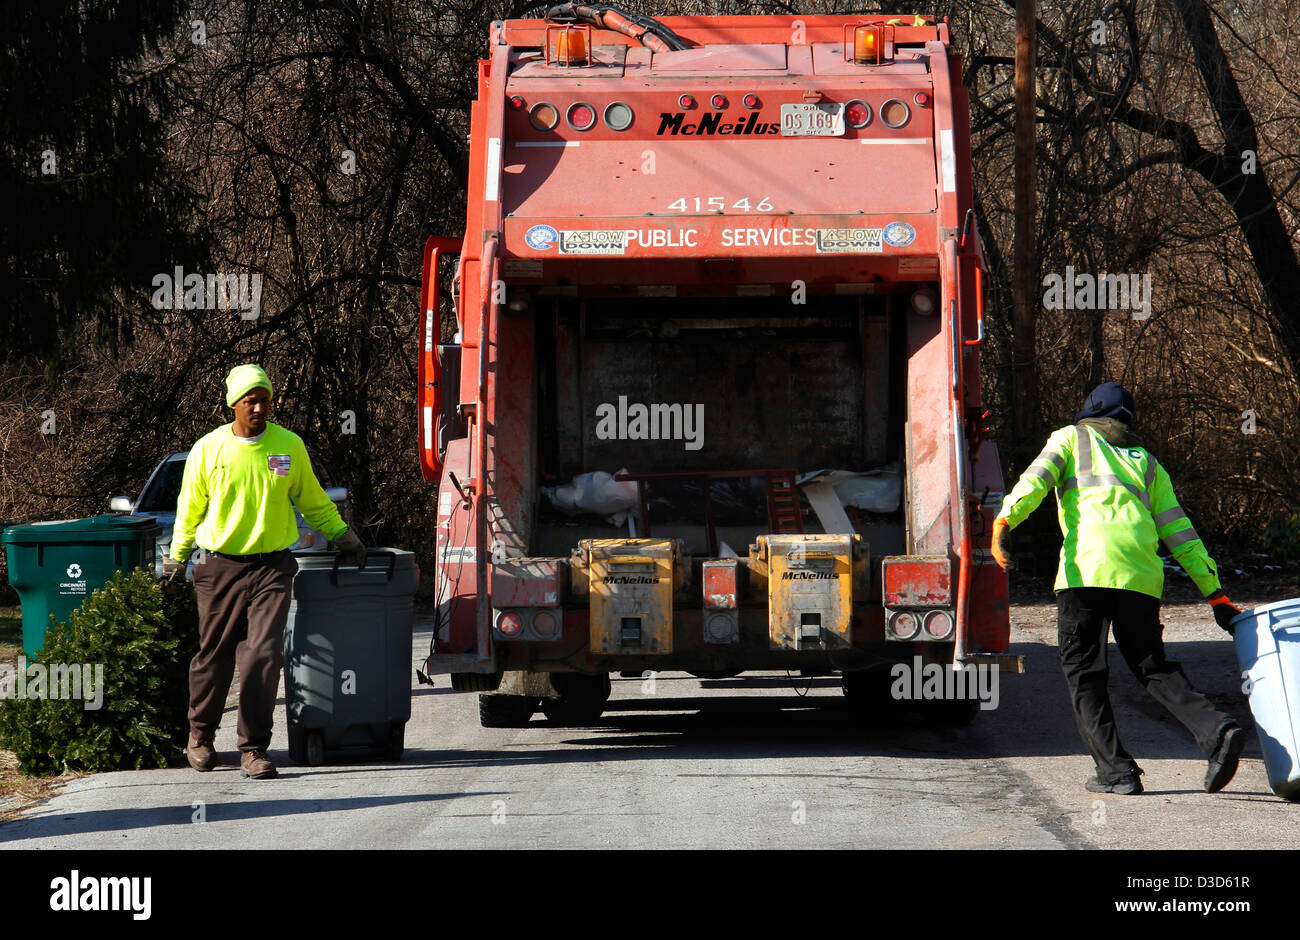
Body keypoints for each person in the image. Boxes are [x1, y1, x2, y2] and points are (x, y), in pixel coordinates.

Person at [991, 381, 1246, 795]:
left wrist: (1005, 520)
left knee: (1084, 672)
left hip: (1086, 573)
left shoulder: (1070, 438)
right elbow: (1182, 533)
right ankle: (1218, 730)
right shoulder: (1148, 463)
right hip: (1141, 577)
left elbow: (1035, 481)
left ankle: (1116, 772)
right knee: (1151, 666)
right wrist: (1215, 594)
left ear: (1089, 411)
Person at [164, 364, 365, 779]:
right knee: (214, 656)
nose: (259, 407)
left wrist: (342, 534)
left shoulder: (288, 445)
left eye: (264, 399)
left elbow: (311, 498)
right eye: (249, 400)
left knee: (263, 655)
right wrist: (178, 554)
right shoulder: (208, 449)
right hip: (218, 566)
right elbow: (190, 508)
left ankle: (253, 749)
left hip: (272, 566)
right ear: (233, 405)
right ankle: (200, 736)